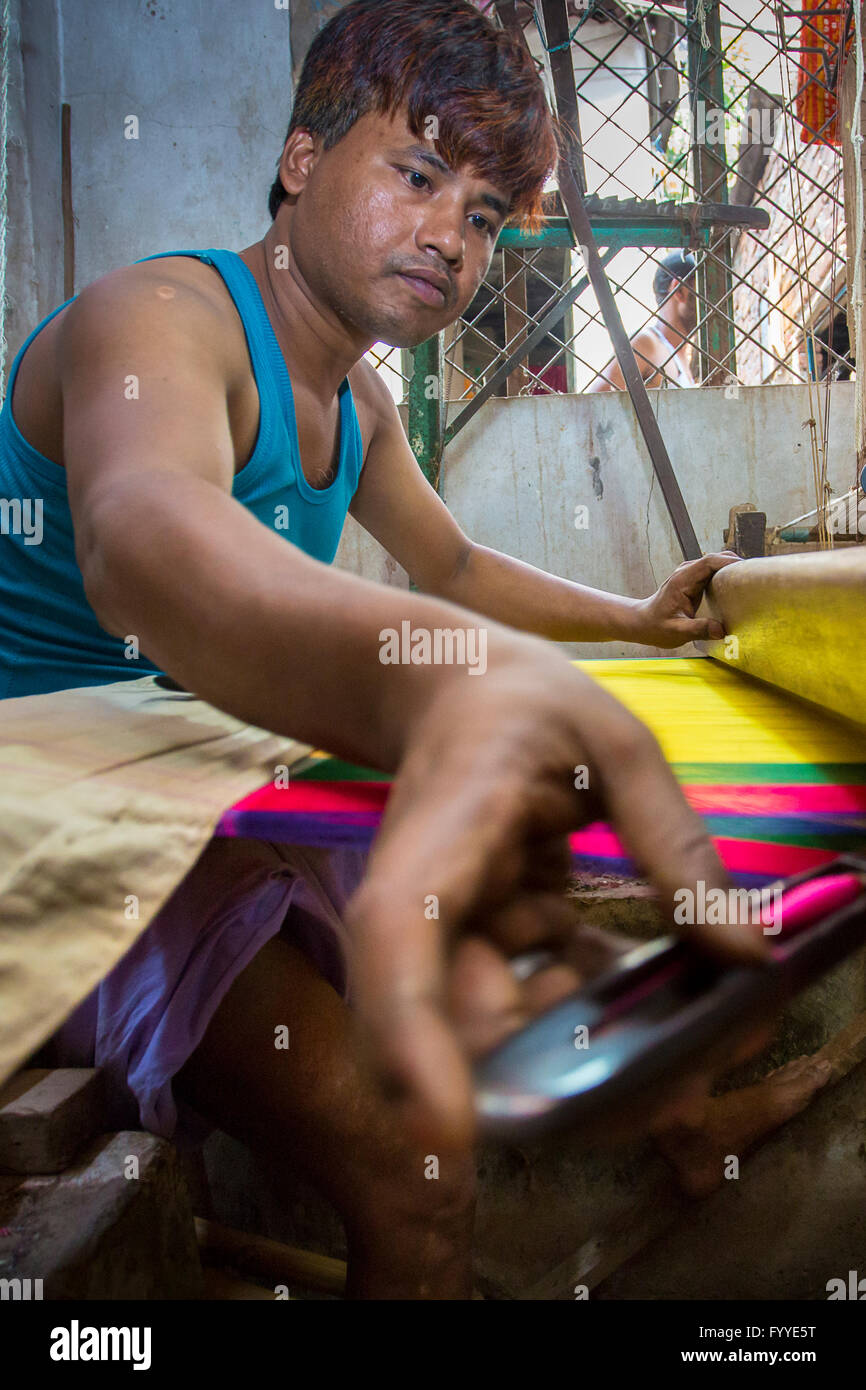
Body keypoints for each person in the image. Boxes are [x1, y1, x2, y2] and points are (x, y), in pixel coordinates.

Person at [0, 0, 827, 1299]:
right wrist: (460, 680)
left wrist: (636, 622)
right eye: (419, 173)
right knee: (414, 1163)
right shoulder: (155, 320)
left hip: (210, 794)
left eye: (487, 212)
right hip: (69, 833)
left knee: (531, 902)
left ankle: (683, 1128)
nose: (453, 234)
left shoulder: (357, 401)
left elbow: (449, 566)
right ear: (300, 159)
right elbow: (141, 530)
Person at [588, 250, 699, 392]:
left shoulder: (682, 358)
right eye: (702, 291)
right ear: (679, 290)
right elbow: (595, 401)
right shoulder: (647, 344)